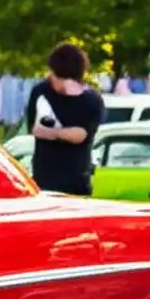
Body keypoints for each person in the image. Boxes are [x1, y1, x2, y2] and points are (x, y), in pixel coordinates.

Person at [25, 43, 106, 196]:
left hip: (76, 182)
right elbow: (35, 129)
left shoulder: (91, 100)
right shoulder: (41, 92)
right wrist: (63, 133)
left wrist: (51, 132)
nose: (51, 78)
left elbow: (80, 135)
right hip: (43, 182)